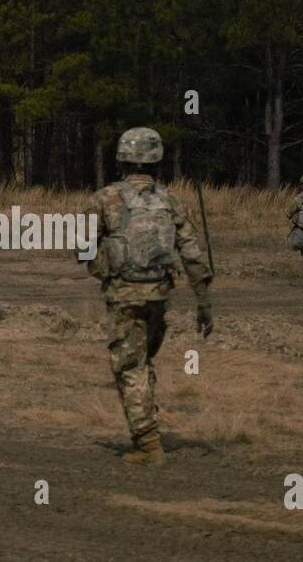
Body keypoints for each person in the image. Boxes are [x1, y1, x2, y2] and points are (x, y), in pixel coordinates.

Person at [85, 127, 213, 467]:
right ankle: (148, 425)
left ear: (122, 159)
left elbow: (82, 246)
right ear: (156, 160)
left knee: (130, 365)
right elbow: (193, 254)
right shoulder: (171, 199)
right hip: (159, 295)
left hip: (124, 296)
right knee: (142, 362)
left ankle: (148, 444)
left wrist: (106, 271)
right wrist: (203, 304)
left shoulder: (103, 199)